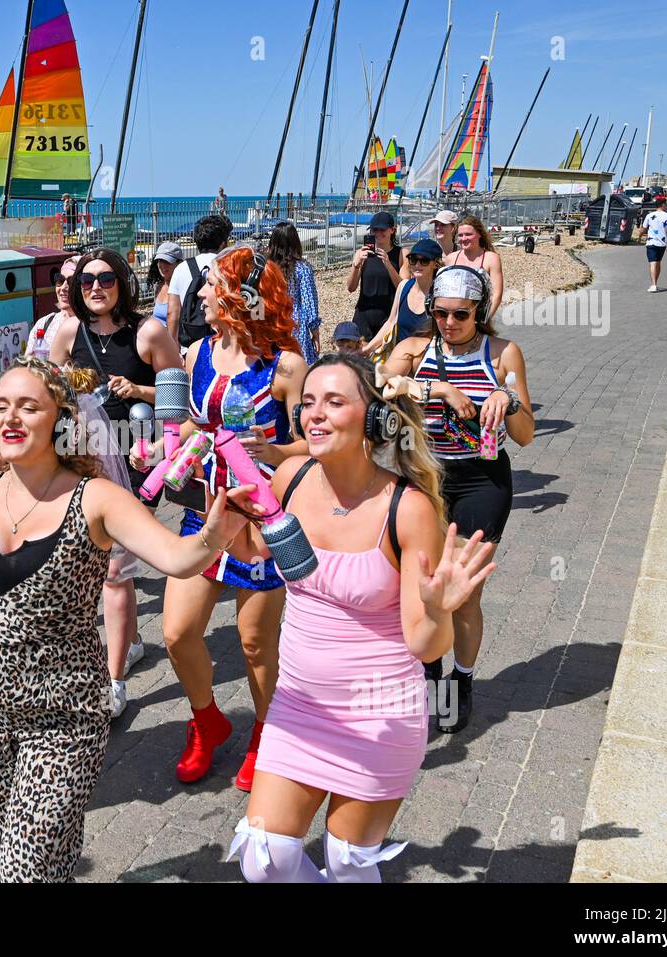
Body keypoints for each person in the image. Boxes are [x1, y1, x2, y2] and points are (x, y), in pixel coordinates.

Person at [0, 356, 257, 882]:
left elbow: (177, 559)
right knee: (49, 860)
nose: (10, 418)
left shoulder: (96, 499)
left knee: (22, 867)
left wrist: (214, 534)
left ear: (60, 420)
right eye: (1, 406)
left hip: (64, 716)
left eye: (28, 406)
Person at [227, 354, 496, 883]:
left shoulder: (408, 507)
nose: (314, 415)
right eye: (307, 403)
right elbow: (257, 549)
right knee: (264, 859)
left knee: (347, 864)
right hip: (299, 705)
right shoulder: (290, 477)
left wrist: (442, 606)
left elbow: (426, 644)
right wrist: (232, 523)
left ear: (374, 418)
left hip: (380, 713)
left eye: (334, 402)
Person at [140, 245, 308, 790]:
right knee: (176, 632)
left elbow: (318, 443)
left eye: (211, 283)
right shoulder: (196, 353)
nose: (201, 292)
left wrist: (276, 452)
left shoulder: (285, 366)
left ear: (241, 296)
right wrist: (159, 453)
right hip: (203, 513)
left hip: (261, 524)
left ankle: (267, 732)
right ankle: (207, 721)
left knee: (256, 643)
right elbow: (192, 426)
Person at [380, 266, 535, 733]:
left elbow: (525, 436)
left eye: (461, 316)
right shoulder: (416, 350)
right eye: (441, 313)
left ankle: (461, 681)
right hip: (426, 477)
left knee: (463, 593)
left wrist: (507, 400)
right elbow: (378, 382)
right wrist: (438, 389)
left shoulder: (503, 353)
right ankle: (428, 669)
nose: (449, 323)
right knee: (421, 583)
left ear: (480, 312)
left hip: (482, 479)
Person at [51, 248, 185, 716]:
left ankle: (114, 681)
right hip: (82, 461)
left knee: (114, 569)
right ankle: (125, 642)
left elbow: (177, 399)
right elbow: (52, 394)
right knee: (88, 565)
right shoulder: (68, 331)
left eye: (105, 279)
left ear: (122, 282)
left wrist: (140, 391)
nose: (95, 288)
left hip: (132, 461)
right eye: (86, 281)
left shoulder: (148, 332)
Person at [362, 237, 442, 362]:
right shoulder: (404, 286)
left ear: (435, 264)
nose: (417, 265)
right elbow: (390, 322)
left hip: (427, 363)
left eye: (424, 261)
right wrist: (367, 349)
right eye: (413, 260)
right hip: (399, 360)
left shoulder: (440, 294)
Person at [167, 213, 232, 348]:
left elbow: (172, 313)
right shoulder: (227, 267)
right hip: (223, 344)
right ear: (222, 243)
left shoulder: (181, 268)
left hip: (190, 344)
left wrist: (174, 348)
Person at [267, 221, 322, 364]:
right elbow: (309, 303)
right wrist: (315, 332)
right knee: (297, 366)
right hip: (295, 323)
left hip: (270, 321)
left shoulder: (266, 268)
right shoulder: (302, 269)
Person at [346, 212, 406, 341]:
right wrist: (356, 265)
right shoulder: (362, 253)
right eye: (374, 230)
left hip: (389, 316)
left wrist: (388, 264)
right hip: (363, 315)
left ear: (392, 230)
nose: (378, 233)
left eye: (382, 229)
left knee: (386, 359)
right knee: (360, 358)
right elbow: (351, 288)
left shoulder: (402, 254)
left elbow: (404, 288)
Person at [448, 215, 505, 318]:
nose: (464, 239)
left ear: (479, 234)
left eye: (468, 234)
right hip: (454, 316)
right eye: (460, 235)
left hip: (478, 316)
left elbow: (497, 294)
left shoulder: (491, 258)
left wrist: (485, 320)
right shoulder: (451, 259)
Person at [25, 255, 79, 359]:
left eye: (71, 282)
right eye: (60, 280)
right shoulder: (44, 324)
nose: (63, 288)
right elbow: (28, 366)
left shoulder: (92, 327)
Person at [639, 197, 667, 292]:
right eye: (666, 204)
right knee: (657, 262)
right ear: (662, 205)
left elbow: (644, 228)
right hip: (662, 243)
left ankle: (653, 284)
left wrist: (639, 236)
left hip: (651, 242)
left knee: (653, 263)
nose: (666, 206)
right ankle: (655, 283)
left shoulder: (650, 215)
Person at [147, 241, 184, 327]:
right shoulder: (158, 287)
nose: (162, 265)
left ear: (178, 263)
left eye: (167, 261)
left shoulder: (184, 288)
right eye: (160, 261)